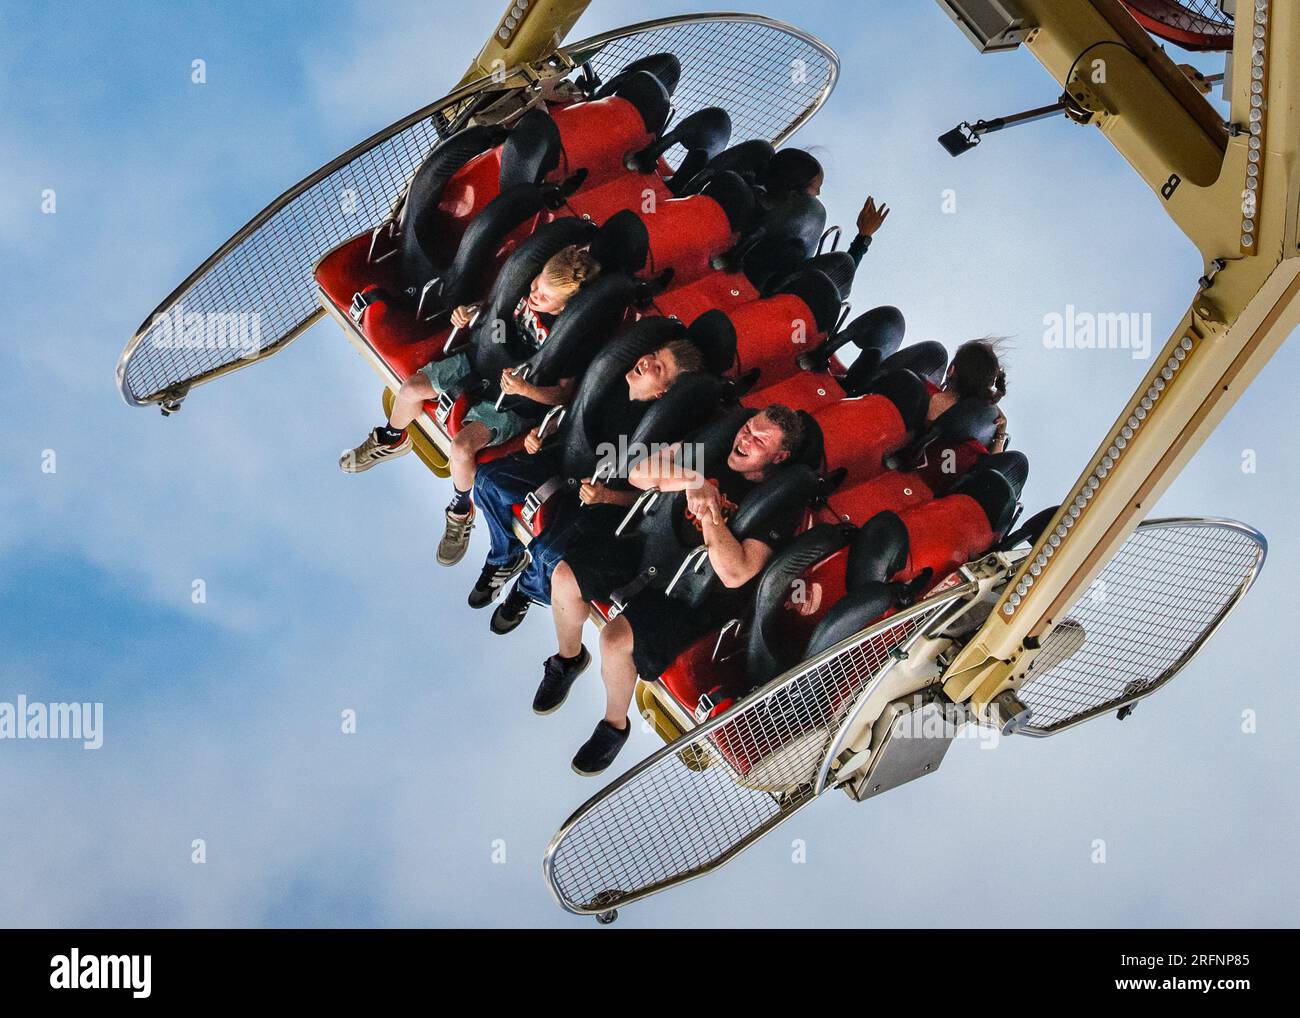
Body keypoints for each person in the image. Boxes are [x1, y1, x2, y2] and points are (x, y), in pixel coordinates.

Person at [539, 406, 809, 776]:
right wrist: (693, 482)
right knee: (565, 576)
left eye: (758, 440)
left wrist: (711, 514)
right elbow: (638, 471)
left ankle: (614, 726)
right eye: (747, 429)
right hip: (651, 546)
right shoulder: (711, 450)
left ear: (779, 457)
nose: (744, 438)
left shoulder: (780, 504)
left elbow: (736, 572)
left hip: (693, 592)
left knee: (615, 641)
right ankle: (568, 659)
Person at [339, 245, 601, 566]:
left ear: (564, 307)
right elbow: (493, 310)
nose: (534, 296)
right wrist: (470, 312)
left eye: (545, 298)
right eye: (535, 286)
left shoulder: (569, 336)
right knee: (410, 389)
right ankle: (392, 438)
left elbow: (563, 395)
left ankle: (460, 512)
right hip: (479, 360)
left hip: (512, 400)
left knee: (462, 449)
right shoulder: (525, 293)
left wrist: (526, 389)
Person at [468, 337, 706, 634]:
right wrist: (541, 435)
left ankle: (526, 592)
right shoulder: (611, 381)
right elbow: (573, 415)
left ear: (664, 392)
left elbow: (648, 498)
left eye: (657, 367)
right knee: (486, 481)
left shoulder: (664, 433)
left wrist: (608, 496)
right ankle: (504, 557)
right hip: (563, 459)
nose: (645, 361)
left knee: (546, 555)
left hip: (596, 498)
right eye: (653, 353)